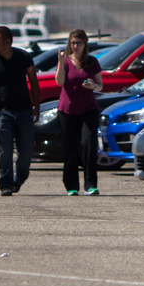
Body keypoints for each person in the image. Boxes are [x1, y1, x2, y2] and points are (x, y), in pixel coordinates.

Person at [0, 26, 40, 196]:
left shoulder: (23, 57)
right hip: (3, 112)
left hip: (25, 111)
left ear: (7, 41)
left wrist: (37, 108)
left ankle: (19, 178)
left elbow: (34, 82)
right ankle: (5, 183)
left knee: (26, 150)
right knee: (4, 150)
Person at [55, 29, 103, 196]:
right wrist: (61, 63)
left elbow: (100, 85)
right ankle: (71, 186)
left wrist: (93, 87)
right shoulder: (65, 61)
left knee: (89, 145)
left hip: (88, 109)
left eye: (79, 43)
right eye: (73, 43)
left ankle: (90, 185)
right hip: (67, 110)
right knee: (70, 147)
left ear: (85, 44)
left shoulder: (92, 62)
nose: (76, 46)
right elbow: (60, 82)